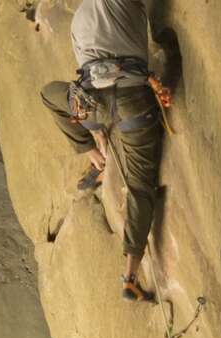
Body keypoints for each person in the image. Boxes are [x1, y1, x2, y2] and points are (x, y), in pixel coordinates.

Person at [40, 0, 165, 303]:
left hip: (90, 105)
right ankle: (130, 276)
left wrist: (91, 133)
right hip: (133, 103)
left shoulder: (81, 17)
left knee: (50, 95)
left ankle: (94, 149)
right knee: (140, 187)